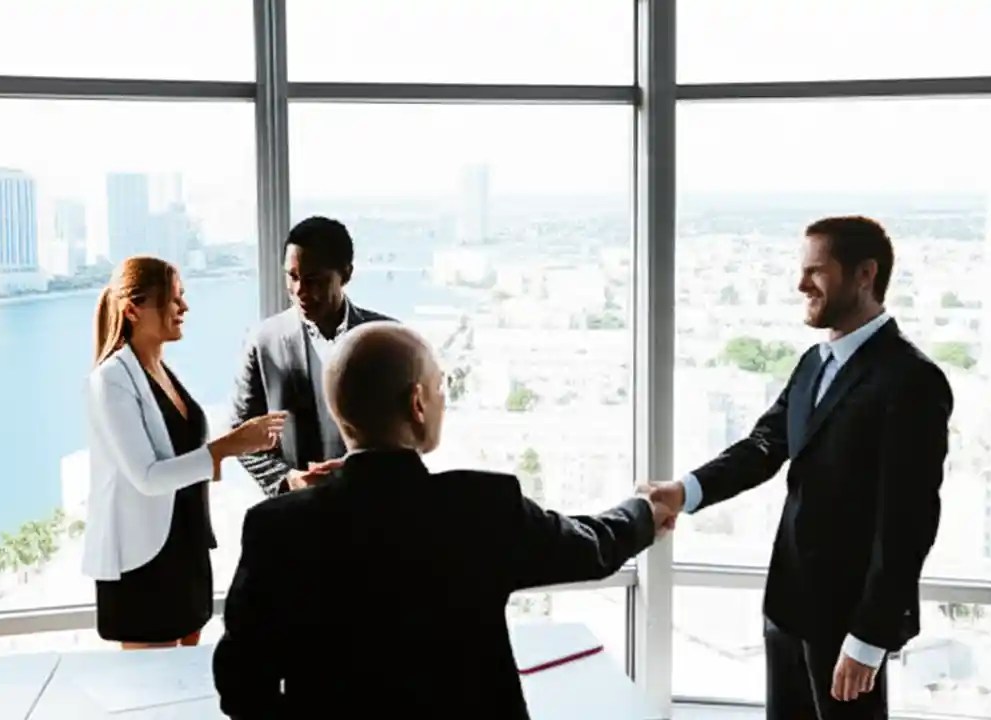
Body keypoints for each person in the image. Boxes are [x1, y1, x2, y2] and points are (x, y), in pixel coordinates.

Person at [214, 321, 674, 719]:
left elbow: (239, 681)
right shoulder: (482, 507)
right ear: (417, 402)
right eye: (440, 387)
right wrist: (644, 511)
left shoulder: (276, 528)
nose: (441, 399)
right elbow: (591, 547)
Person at [648, 216, 953, 720]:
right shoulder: (814, 363)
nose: (800, 284)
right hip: (787, 611)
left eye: (816, 271)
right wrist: (685, 491)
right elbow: (765, 445)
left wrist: (869, 638)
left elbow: (910, 522)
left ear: (864, 275)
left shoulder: (912, 380)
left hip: (848, 626)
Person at [83, 256, 287, 650]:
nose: (185, 308)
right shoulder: (110, 380)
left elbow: (183, 452)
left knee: (185, 681)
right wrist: (229, 446)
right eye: (175, 299)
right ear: (133, 309)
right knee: (152, 693)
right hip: (144, 559)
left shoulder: (160, 370)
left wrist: (244, 444)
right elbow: (148, 477)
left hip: (186, 544)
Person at [232, 216, 392, 496]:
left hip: (374, 510)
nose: (300, 291)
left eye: (313, 280)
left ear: (346, 274)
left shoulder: (387, 339)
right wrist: (288, 479)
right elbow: (241, 433)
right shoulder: (263, 342)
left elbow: (408, 429)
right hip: (296, 516)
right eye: (292, 277)